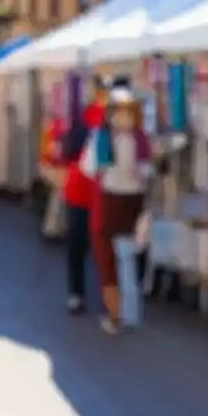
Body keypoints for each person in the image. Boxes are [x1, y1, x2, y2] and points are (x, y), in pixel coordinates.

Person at [79, 88, 151, 335]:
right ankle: (127, 315)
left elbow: (88, 169)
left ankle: (117, 315)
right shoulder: (139, 139)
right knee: (126, 260)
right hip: (132, 202)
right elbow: (147, 171)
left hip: (113, 203)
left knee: (113, 262)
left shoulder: (102, 138)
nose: (123, 118)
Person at [60, 101, 104, 315]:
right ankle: (108, 298)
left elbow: (66, 152)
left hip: (78, 191)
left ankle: (76, 294)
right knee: (103, 248)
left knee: (76, 248)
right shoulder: (111, 121)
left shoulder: (82, 119)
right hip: (102, 193)